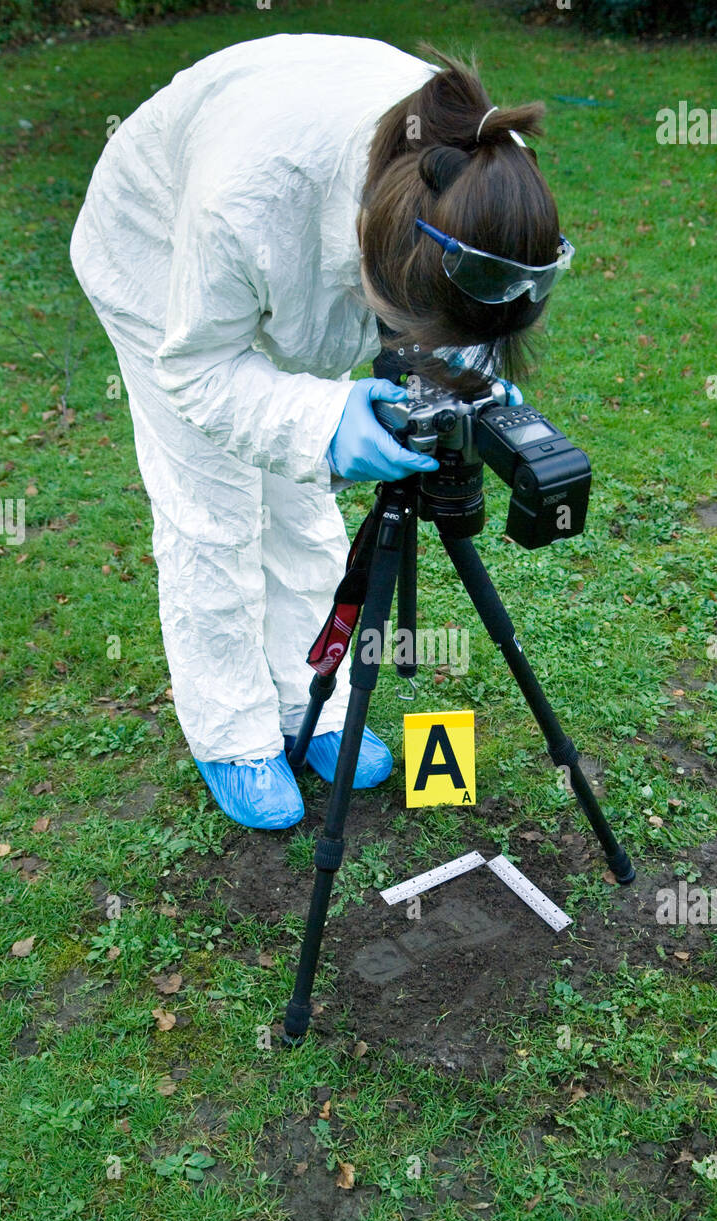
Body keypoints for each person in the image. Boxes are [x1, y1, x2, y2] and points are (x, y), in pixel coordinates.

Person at [70, 33, 568, 830]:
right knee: (216, 509)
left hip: (294, 235)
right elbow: (202, 371)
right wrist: (325, 419)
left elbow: (471, 292)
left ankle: (316, 703)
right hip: (159, 250)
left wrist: (468, 374)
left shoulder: (477, 165)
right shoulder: (246, 200)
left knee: (300, 499)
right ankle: (233, 731)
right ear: (371, 265)